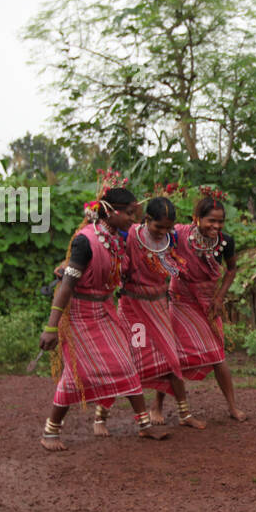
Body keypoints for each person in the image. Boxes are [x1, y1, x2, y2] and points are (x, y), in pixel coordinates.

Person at [38, 182, 170, 451]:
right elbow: (67, 286)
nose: (133, 220)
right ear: (110, 212)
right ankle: (50, 432)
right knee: (77, 375)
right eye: (129, 214)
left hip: (105, 310)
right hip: (78, 315)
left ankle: (144, 426)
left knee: (127, 362)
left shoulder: (118, 238)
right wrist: (51, 328)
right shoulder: (85, 241)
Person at [115, 195, 205, 430]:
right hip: (133, 308)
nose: (162, 231)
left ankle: (185, 414)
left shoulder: (172, 238)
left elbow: (197, 231)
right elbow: (102, 247)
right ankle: (101, 416)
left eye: (167, 227)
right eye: (158, 226)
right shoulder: (129, 235)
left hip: (158, 308)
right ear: (146, 219)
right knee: (131, 361)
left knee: (172, 360)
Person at [158, 190, 247, 424]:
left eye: (220, 221)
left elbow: (231, 269)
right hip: (181, 301)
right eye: (211, 220)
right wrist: (175, 269)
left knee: (218, 355)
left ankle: (232, 407)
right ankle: (156, 408)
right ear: (197, 218)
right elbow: (160, 255)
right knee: (173, 356)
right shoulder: (177, 235)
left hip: (208, 304)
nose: (216, 226)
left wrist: (219, 298)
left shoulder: (226, 242)